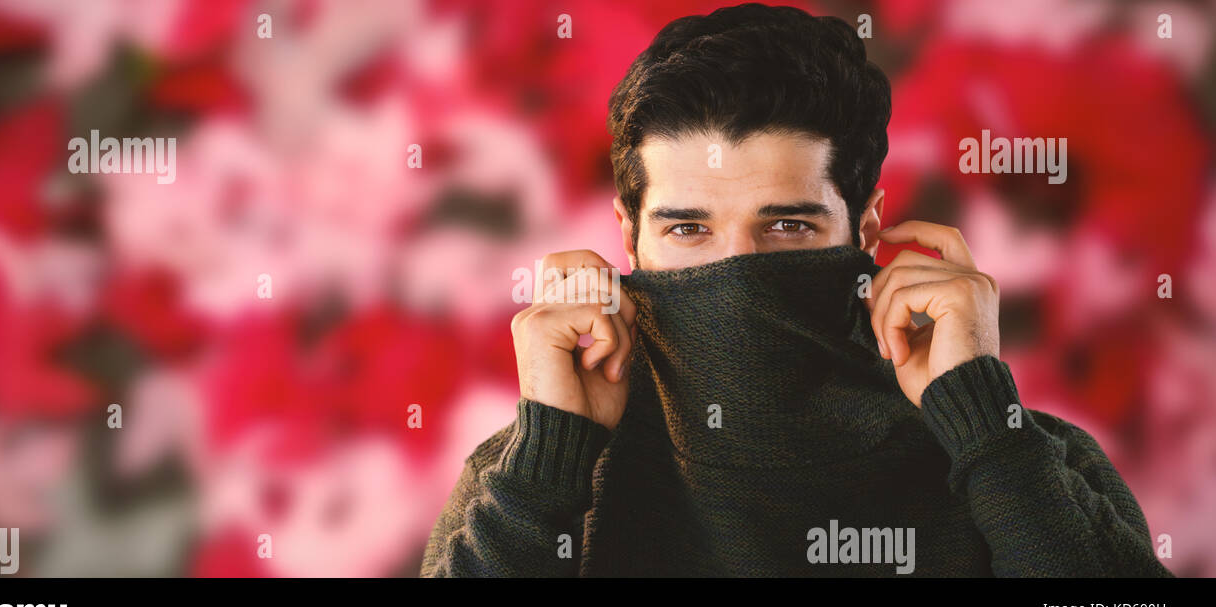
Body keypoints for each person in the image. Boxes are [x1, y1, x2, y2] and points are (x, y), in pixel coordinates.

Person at [420, 3, 1173, 577]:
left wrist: (985, 425)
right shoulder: (528, 483)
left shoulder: (1023, 463)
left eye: (786, 227)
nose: (738, 268)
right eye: (689, 230)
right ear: (628, 235)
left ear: (866, 228)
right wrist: (550, 457)